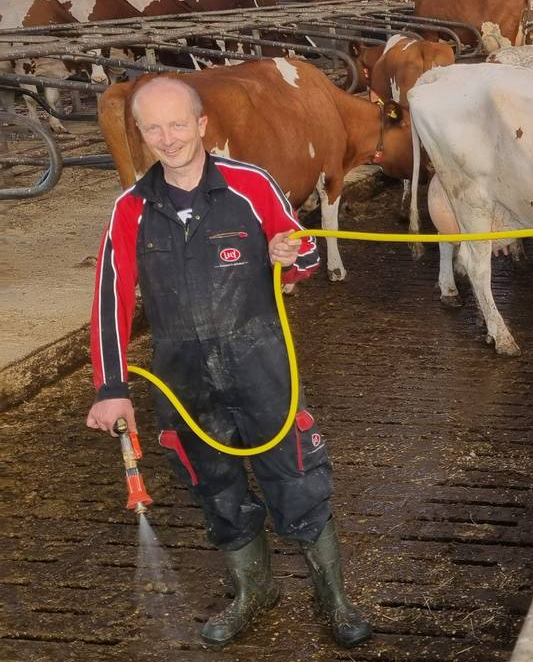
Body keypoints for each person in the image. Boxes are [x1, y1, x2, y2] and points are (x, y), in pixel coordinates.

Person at [84, 77, 371, 649]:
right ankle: (254, 590)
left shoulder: (250, 184)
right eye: (153, 128)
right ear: (139, 134)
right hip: (183, 380)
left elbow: (303, 253)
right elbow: (109, 299)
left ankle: (333, 597)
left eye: (178, 123)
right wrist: (109, 388)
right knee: (213, 488)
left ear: (202, 124)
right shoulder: (130, 209)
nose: (168, 138)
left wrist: (291, 252)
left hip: (262, 363)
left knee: (296, 478)